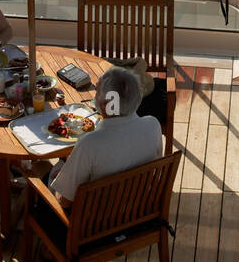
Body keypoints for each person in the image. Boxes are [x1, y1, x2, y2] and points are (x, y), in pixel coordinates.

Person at [47, 65, 163, 205]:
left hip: (96, 222)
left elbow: (64, 201)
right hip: (138, 211)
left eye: (97, 91)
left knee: (41, 168)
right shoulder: (153, 125)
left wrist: (59, 171)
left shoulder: (89, 144)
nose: (95, 95)